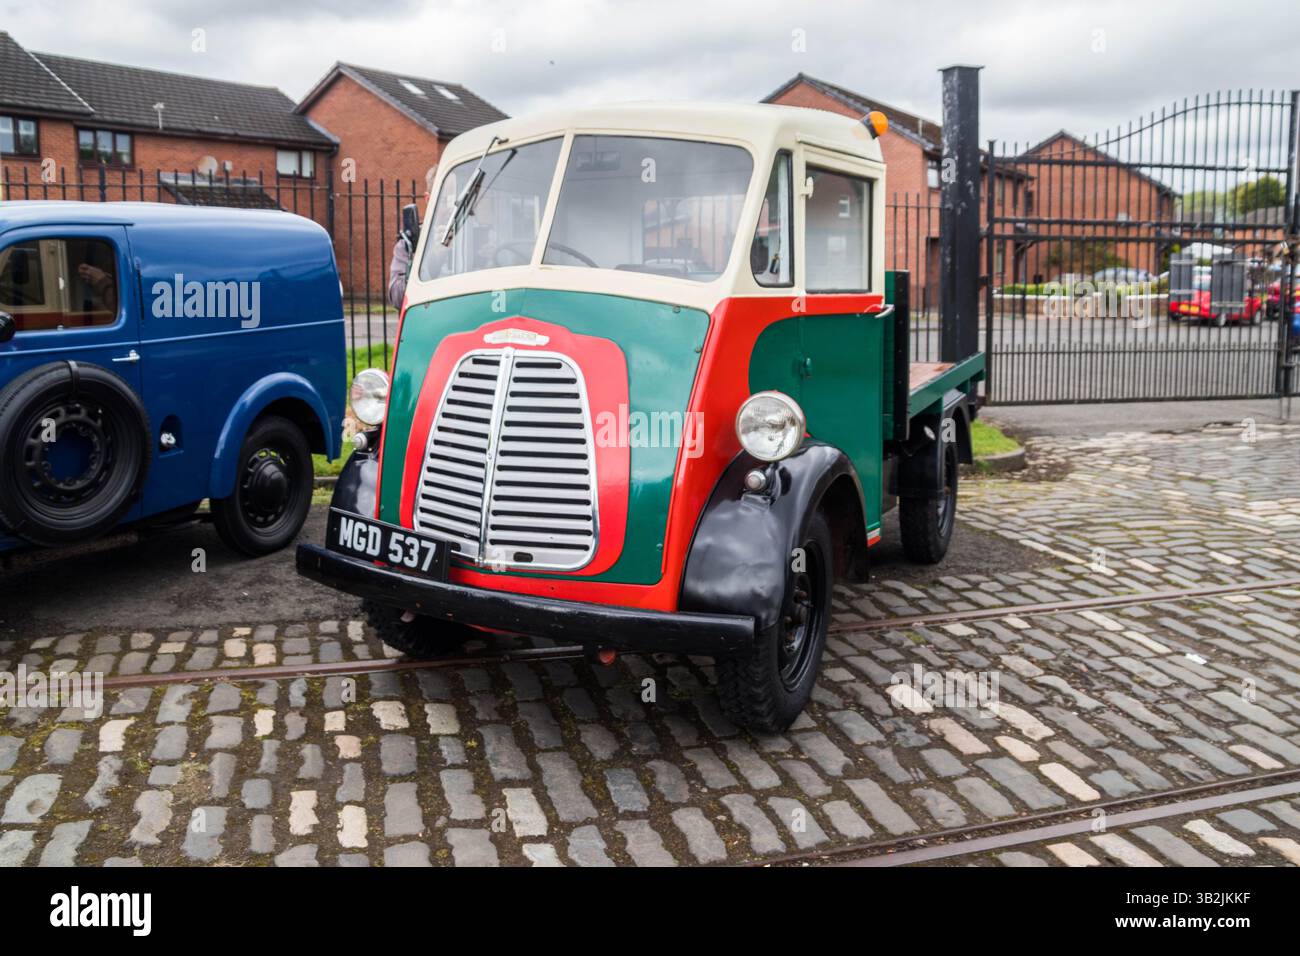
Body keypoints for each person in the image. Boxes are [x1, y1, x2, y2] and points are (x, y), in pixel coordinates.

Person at [387, 165, 437, 309]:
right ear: (428, 199)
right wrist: (426, 260)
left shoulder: (472, 241)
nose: (452, 205)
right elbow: (397, 297)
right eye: (445, 198)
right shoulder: (409, 244)